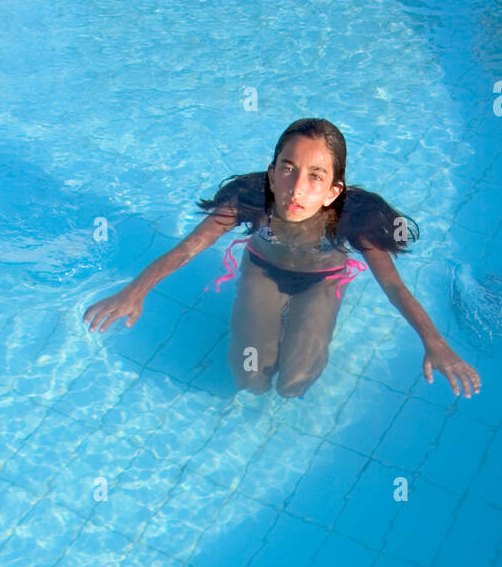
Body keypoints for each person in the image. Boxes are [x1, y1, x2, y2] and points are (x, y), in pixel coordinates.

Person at [84, 117, 481, 400]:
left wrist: (434, 342)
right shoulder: (250, 200)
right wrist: (136, 291)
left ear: (332, 190)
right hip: (263, 271)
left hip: (322, 282)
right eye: (288, 170)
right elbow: (190, 246)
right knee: (250, 378)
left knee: (295, 383)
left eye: (315, 176)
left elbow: (393, 286)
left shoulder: (354, 219)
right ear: (271, 174)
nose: (296, 188)